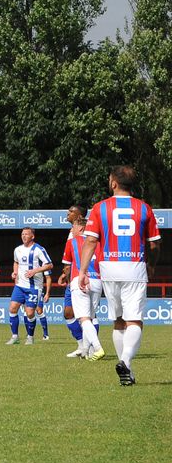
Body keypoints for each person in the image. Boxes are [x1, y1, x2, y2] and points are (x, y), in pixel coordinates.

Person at [80, 165, 161, 386]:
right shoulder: (144, 208)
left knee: (118, 321)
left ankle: (127, 369)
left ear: (114, 183)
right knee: (134, 320)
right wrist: (151, 265)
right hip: (134, 267)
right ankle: (125, 361)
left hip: (108, 268)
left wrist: (83, 271)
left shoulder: (99, 208)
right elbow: (155, 245)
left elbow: (90, 241)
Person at [62, 211, 103, 360]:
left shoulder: (72, 242)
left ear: (80, 229)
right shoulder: (98, 243)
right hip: (97, 281)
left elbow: (67, 266)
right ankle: (87, 351)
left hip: (79, 280)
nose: (71, 230)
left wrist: (67, 279)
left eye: (73, 227)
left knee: (83, 319)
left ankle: (98, 348)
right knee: (91, 317)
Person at [7, 227, 52, 345]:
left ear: (32, 236)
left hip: (34, 287)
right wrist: (15, 272)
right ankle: (15, 336)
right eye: (22, 234)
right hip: (20, 285)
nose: (24, 236)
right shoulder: (17, 249)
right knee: (12, 308)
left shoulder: (39, 249)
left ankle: (30, 337)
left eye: (26, 234)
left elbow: (49, 265)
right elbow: (16, 262)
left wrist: (35, 271)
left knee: (30, 313)